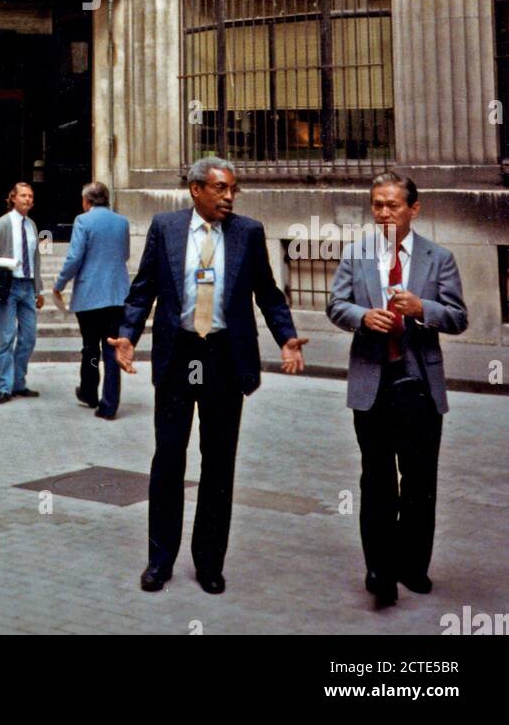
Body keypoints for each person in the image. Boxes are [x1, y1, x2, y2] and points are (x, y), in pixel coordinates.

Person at [109, 156, 308, 594]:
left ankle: (209, 563)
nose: (229, 197)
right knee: (168, 459)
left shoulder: (247, 232)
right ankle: (160, 560)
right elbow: (143, 289)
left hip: (223, 359)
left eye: (233, 189)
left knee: (218, 464)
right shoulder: (165, 228)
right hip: (179, 356)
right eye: (221, 188)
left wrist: (286, 338)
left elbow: (268, 293)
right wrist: (128, 335)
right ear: (196, 189)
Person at [327, 171, 468, 607]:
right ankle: (379, 571)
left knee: (420, 481)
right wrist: (363, 317)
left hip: (419, 384)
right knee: (377, 480)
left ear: (413, 209)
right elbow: (336, 304)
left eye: (393, 205)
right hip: (373, 381)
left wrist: (423, 308)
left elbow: (459, 317)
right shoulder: (357, 254)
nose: (384, 213)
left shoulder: (438, 258)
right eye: (377, 205)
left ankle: (413, 565)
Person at [53, 182, 130, 420]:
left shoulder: (83, 221)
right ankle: (110, 404)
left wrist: (60, 284)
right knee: (112, 348)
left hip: (89, 295)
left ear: (87, 201)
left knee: (91, 347)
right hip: (116, 294)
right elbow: (125, 254)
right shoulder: (122, 222)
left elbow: (75, 257)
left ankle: (89, 391)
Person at [0, 182, 44, 405]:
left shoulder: (32, 226)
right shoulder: (1, 225)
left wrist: (39, 289)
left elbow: (35, 259)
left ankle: (19, 382)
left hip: (27, 286)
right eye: (23, 195)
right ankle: (5, 387)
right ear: (13, 198)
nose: (27, 199)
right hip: (8, 286)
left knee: (29, 337)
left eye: (30, 196)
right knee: (7, 337)